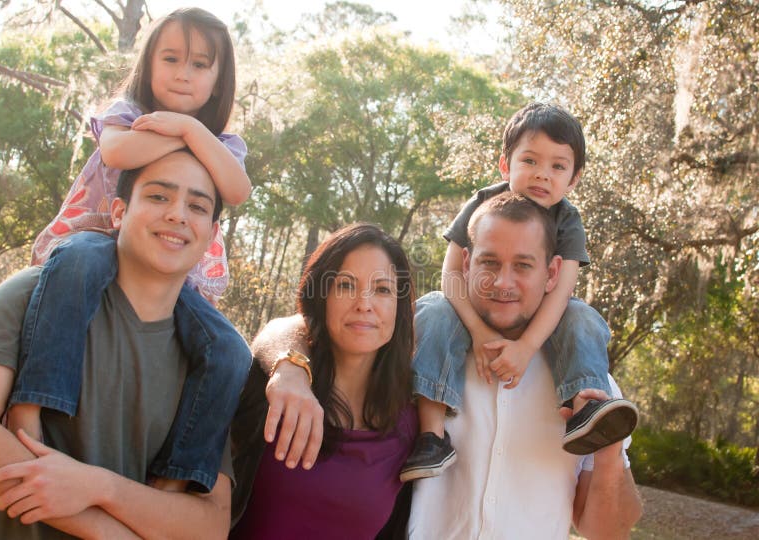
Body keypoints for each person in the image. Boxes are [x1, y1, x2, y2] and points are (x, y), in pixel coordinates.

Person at [6, 7, 251, 493]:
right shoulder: (127, 113)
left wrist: (190, 130)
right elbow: (118, 154)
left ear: (218, 79)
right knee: (75, 264)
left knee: (230, 350)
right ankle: (29, 406)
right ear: (149, 63)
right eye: (172, 58)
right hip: (100, 239)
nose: (184, 72)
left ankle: (176, 475)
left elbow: (237, 189)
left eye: (201, 64)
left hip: (171, 274)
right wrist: (180, 135)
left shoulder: (221, 141)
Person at [0, 150, 251, 538]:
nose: (178, 215)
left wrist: (101, 487)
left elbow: (209, 523)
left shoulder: (213, 361)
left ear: (212, 236)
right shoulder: (32, 294)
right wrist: (105, 531)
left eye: (197, 206)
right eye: (158, 197)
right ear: (118, 212)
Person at [400, 102, 638, 481]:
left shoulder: (567, 220)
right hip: (476, 310)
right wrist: (479, 333)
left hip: (544, 317)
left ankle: (585, 406)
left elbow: (561, 292)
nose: (542, 175)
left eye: (558, 166)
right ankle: (431, 435)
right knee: (432, 309)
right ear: (505, 164)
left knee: (583, 317)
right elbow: (451, 274)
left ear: (573, 179)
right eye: (530, 160)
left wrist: (526, 347)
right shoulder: (482, 202)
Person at [407, 192, 642, 538]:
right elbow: (324, 330)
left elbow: (607, 533)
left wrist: (607, 454)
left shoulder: (589, 388)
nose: (503, 282)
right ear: (466, 264)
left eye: (522, 265)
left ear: (552, 273)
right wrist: (294, 367)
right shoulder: (419, 353)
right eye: (489, 263)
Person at [229, 224, 417, 539]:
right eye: (345, 285)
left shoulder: (411, 424)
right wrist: (291, 370)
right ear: (322, 297)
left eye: (382, 289)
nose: (364, 304)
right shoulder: (271, 393)